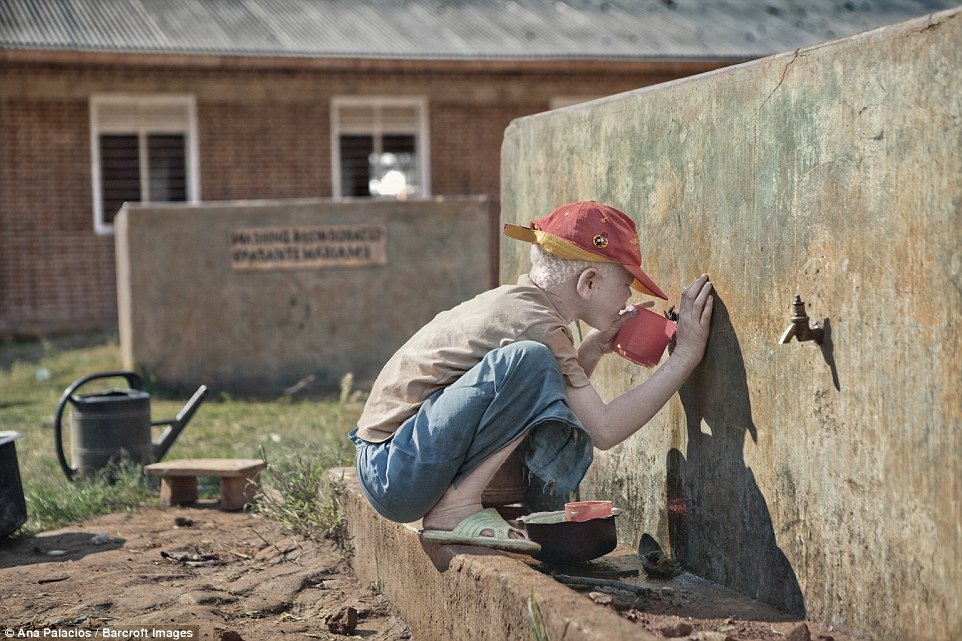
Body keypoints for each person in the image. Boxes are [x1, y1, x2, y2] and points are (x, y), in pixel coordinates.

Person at [349, 201, 713, 552]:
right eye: (625, 284)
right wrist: (684, 357)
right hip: (394, 468)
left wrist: (591, 349)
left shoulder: (525, 307)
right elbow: (603, 430)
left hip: (393, 465)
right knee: (532, 360)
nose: (628, 295)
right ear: (588, 282)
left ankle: (459, 503)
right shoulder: (538, 326)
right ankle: (454, 511)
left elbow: (542, 399)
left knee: (534, 366)